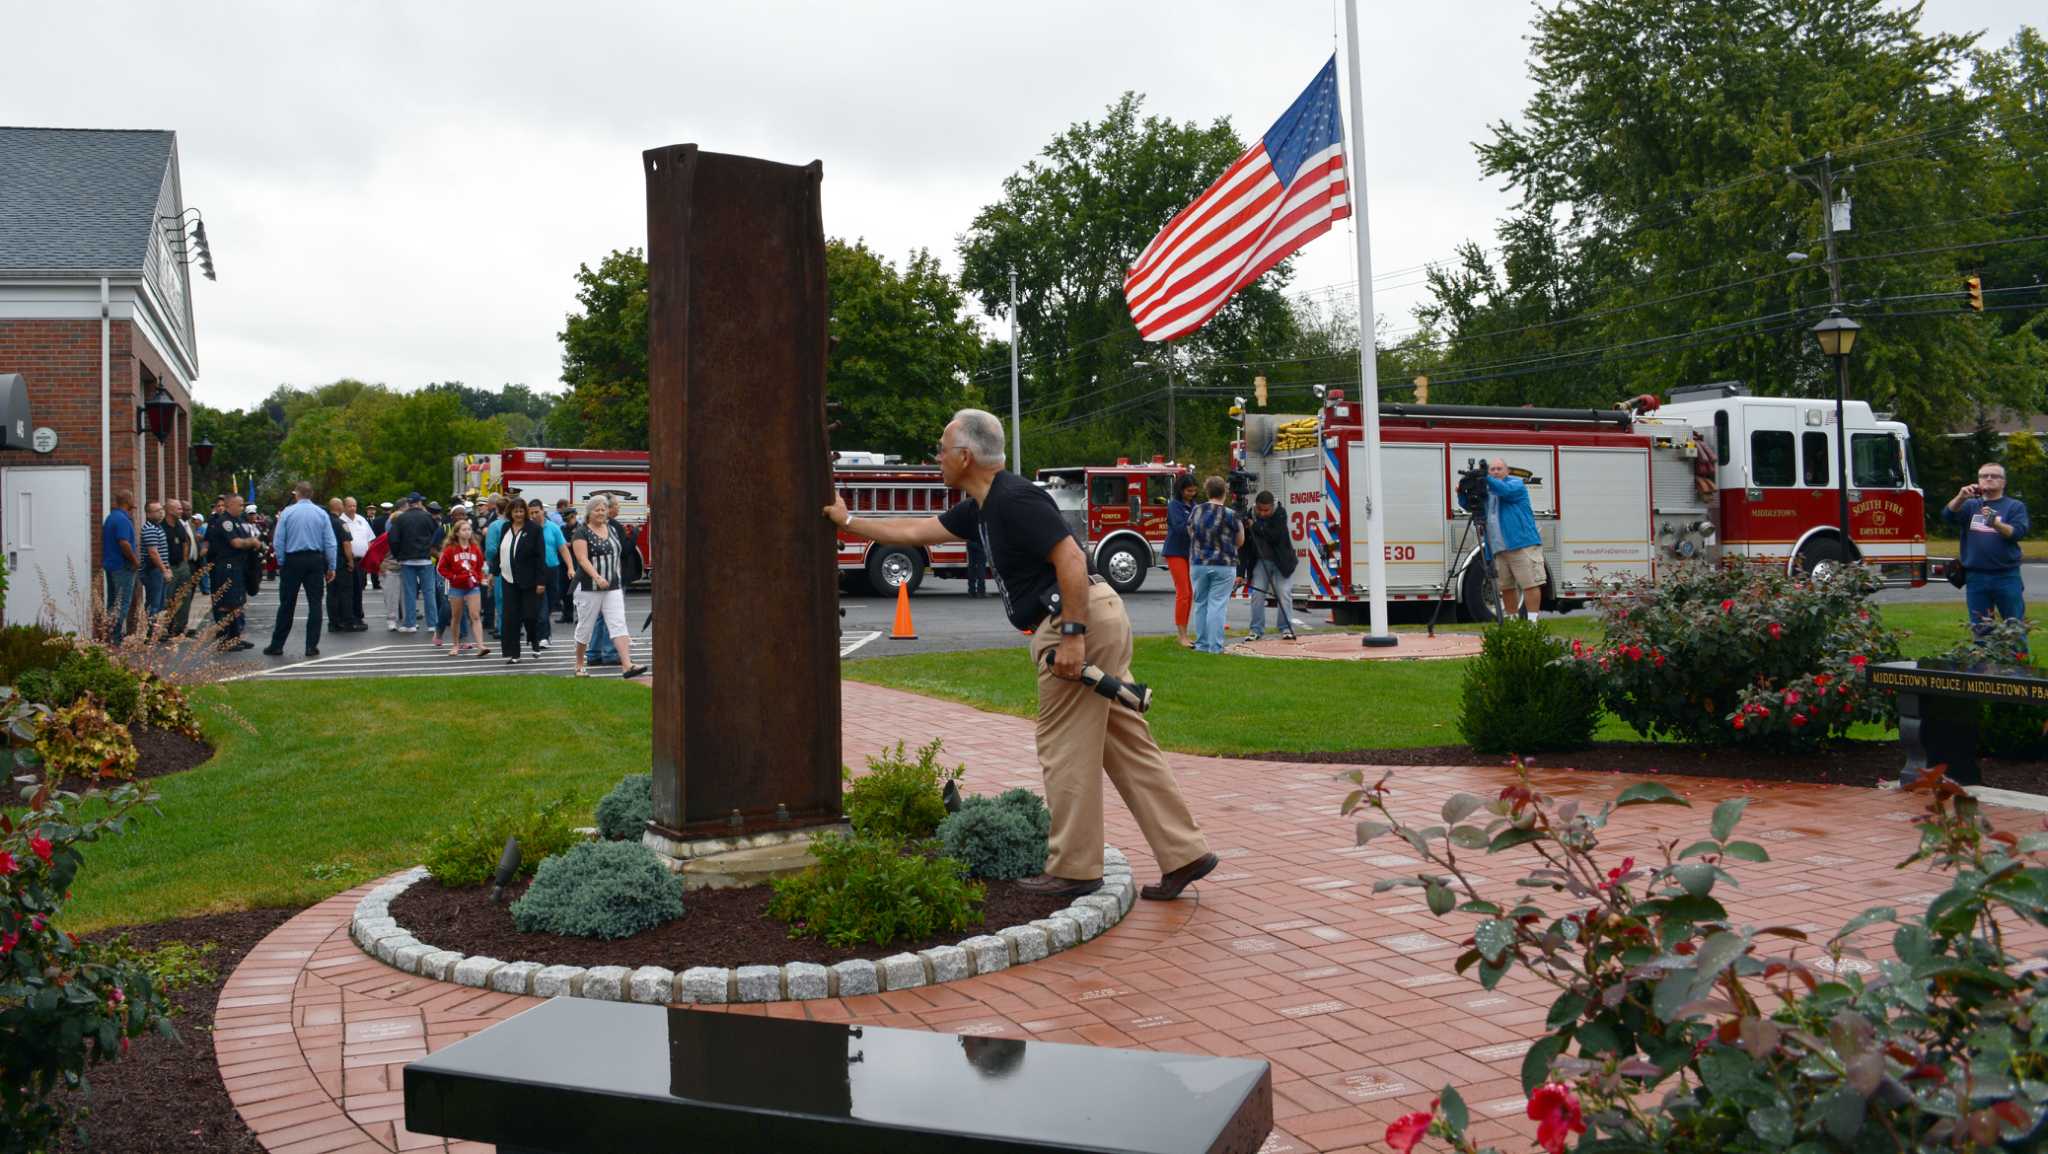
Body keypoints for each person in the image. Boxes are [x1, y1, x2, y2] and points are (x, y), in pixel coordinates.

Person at [821, 407, 1215, 901]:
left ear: (965, 456)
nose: (937, 458)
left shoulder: (1015, 498)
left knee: (1065, 747)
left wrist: (1071, 636)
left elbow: (1070, 557)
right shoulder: (982, 507)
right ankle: (1185, 852)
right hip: (1096, 614)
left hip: (1075, 621)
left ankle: (1074, 868)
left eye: (942, 450)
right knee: (1124, 741)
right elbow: (915, 532)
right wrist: (849, 521)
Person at [1945, 462, 2030, 639]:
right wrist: (1961, 497)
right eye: (1984, 476)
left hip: (2006, 576)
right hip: (1976, 577)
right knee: (1981, 630)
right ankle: (1983, 666)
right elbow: (1947, 516)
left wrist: (1995, 523)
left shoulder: (2014, 506)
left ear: (2004, 482)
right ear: (1978, 481)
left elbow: (2017, 533)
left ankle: (2019, 665)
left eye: (1994, 476)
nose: (1989, 479)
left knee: (2014, 628)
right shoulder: (1969, 506)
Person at [570, 497, 645, 678]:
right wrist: (597, 576)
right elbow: (582, 559)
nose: (601, 512)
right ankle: (579, 664)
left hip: (613, 586)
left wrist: (616, 576)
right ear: (589, 513)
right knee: (585, 627)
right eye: (597, 509)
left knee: (618, 623)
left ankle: (627, 664)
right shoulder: (581, 533)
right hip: (589, 587)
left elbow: (620, 554)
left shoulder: (611, 529)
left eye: (604, 509)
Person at [263, 482, 337, 657]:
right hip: (315, 559)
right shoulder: (321, 514)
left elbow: (279, 540)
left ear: (297, 494)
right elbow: (330, 542)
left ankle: (277, 644)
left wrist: (281, 561)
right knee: (315, 604)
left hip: (293, 559)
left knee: (287, 604)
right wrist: (331, 566)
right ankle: (311, 646)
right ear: (311, 494)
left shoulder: (288, 512)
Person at [1482, 458, 1546, 622]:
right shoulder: (1487, 491)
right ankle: (1512, 621)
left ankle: (1533, 624)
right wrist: (1462, 493)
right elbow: (1471, 506)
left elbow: (1505, 491)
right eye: (1492, 470)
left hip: (1522, 545)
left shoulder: (1516, 484)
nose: (1495, 472)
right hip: (1499, 548)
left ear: (1507, 471)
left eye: (1499, 469)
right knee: (1506, 587)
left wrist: (1485, 478)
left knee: (1529, 584)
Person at [1186, 477, 1243, 654]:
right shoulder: (1231, 514)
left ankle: (1202, 644)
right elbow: (1240, 540)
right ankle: (1215, 646)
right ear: (1224, 492)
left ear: (1207, 491)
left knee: (1201, 603)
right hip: (1224, 564)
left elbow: (1190, 532)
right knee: (1217, 604)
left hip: (1199, 563)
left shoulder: (1196, 511)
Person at [492, 500, 549, 663]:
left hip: (529, 581)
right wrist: (492, 573)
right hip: (508, 579)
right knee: (510, 617)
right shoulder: (505, 528)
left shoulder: (534, 530)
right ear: (510, 513)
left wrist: (541, 582)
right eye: (515, 512)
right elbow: (500, 552)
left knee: (530, 616)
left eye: (521, 511)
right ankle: (513, 653)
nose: (518, 515)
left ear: (525, 512)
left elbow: (540, 557)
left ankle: (534, 642)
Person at [205, 493, 260, 651]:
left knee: (237, 602)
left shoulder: (237, 521)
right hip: (227, 566)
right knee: (227, 603)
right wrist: (252, 541)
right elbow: (236, 543)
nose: (242, 508)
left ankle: (235, 637)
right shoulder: (225, 522)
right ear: (230, 505)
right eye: (240, 505)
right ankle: (225, 639)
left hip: (238, 565)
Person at [1244, 491, 1298, 641]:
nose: (1262, 513)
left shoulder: (1280, 513)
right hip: (1261, 561)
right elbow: (1245, 546)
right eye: (1260, 510)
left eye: (1266, 510)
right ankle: (1256, 629)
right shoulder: (1250, 515)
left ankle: (1286, 628)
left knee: (1283, 592)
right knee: (1257, 594)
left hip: (1282, 561)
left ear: (1272, 507)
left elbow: (1274, 536)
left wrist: (1255, 527)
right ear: (1256, 506)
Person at [387, 493, 441, 636]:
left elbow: (393, 539)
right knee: (429, 592)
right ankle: (433, 624)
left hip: (407, 560)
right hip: (426, 559)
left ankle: (410, 623)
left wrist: (398, 555)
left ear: (409, 503)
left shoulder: (401, 519)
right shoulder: (428, 517)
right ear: (419, 503)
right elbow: (437, 535)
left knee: (410, 593)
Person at [437, 518, 491, 658]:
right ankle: (455, 644)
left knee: (475, 615)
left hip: (472, 587)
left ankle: (480, 645)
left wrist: (479, 578)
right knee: (456, 616)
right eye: (464, 530)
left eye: (469, 529)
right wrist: (453, 577)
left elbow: (479, 566)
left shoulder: (475, 549)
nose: (467, 532)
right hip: (456, 587)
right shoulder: (450, 550)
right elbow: (441, 568)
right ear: (457, 533)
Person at [101, 489, 140, 644]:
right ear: (127, 501)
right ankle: (115, 638)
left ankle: (109, 635)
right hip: (123, 567)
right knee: (122, 603)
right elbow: (123, 542)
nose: (134, 501)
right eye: (132, 498)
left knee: (112, 603)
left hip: (111, 566)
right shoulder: (123, 520)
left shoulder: (111, 518)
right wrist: (135, 561)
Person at [1164, 474, 1197, 648]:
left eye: (1194, 490)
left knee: (1190, 594)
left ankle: (1186, 633)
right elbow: (1179, 527)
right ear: (1181, 490)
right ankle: (1182, 635)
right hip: (1175, 551)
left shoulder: (1195, 505)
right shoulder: (1174, 506)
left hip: (1190, 552)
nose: (1191, 493)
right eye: (1188, 490)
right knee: (1183, 593)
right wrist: (1195, 525)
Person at [532, 498, 570, 645]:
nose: (534, 515)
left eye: (537, 512)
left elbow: (562, 548)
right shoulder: (529, 528)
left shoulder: (553, 528)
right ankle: (543, 636)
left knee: (551, 603)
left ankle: (543, 631)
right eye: (532, 513)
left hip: (553, 569)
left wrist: (570, 567)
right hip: (537, 571)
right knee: (542, 604)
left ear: (543, 511)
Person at [165, 499, 200, 638]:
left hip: (183, 565)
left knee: (185, 596)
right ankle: (169, 626)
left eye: (182, 509)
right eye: (179, 509)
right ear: (169, 510)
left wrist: (185, 561)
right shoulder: (163, 526)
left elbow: (185, 542)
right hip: (170, 567)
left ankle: (181, 627)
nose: (182, 511)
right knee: (170, 597)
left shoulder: (180, 524)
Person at [138, 501, 172, 641]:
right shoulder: (150, 529)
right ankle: (150, 633)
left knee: (160, 602)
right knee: (154, 602)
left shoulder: (157, 527)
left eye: (161, 510)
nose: (161, 512)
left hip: (160, 570)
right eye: (157, 510)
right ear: (149, 513)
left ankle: (155, 630)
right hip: (153, 571)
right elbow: (153, 553)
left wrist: (167, 567)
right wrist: (164, 570)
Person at [325, 498, 357, 635]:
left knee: (332, 593)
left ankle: (333, 622)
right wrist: (350, 561)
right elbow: (346, 544)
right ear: (339, 507)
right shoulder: (341, 523)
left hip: (328, 562)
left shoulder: (324, 523)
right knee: (345, 593)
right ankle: (347, 621)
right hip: (341, 562)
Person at [341, 497, 372, 630]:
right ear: (344, 506)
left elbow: (370, 539)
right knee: (348, 591)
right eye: (350, 506)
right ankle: (348, 618)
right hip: (347, 561)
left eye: (354, 506)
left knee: (359, 590)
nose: (353, 508)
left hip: (361, 561)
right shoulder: (342, 521)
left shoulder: (361, 520)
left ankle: (358, 616)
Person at [965, 527, 988, 598]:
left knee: (971, 568)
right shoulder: (982, 519)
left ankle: (971, 592)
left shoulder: (969, 519)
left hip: (970, 542)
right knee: (981, 568)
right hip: (979, 543)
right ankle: (981, 592)